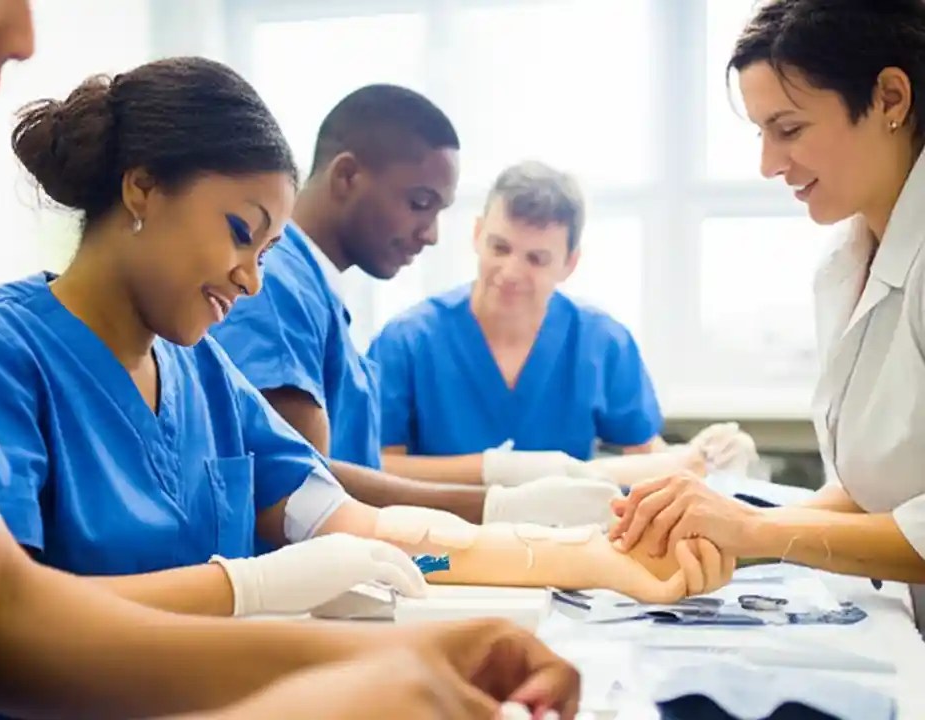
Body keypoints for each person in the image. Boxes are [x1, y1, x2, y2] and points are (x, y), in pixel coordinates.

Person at [0, 0, 586, 717]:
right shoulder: (0, 346)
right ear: (143, 191)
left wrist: (398, 657)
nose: (21, 35)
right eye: (241, 236)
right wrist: (271, 619)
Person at [0, 59, 730, 631]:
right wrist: (246, 589)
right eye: (239, 233)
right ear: (142, 189)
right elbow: (4, 619)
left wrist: (582, 555)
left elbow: (374, 530)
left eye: (267, 251)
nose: (253, 281)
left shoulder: (203, 373)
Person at [611, 0, 925, 632]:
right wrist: (726, 529)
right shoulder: (845, 260)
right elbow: (874, 491)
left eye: (789, 129)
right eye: (761, 133)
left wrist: (757, 527)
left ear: (890, 98)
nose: (767, 164)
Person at [208, 85, 624, 523]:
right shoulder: (273, 289)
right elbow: (297, 483)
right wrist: (496, 505)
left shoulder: (315, 291)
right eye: (419, 204)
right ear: (347, 176)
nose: (431, 234)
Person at [366, 161, 756, 487]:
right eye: (499, 247)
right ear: (477, 234)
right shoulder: (407, 341)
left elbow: (646, 456)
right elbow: (376, 471)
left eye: (536, 259)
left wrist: (708, 456)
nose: (511, 271)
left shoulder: (600, 342)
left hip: (568, 545)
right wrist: (494, 470)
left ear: (570, 263)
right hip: (438, 551)